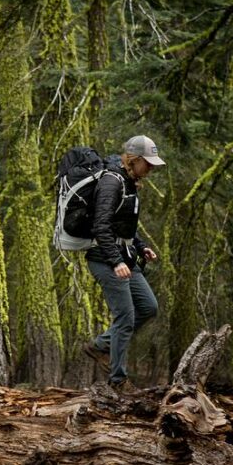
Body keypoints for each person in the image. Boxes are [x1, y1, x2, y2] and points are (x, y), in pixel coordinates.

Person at [82, 135, 165, 392]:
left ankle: (101, 345)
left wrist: (141, 247)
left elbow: (125, 226)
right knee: (125, 317)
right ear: (134, 159)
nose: (150, 169)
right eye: (147, 164)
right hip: (104, 258)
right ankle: (118, 381)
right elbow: (101, 227)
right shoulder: (111, 181)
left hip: (125, 257)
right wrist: (116, 260)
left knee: (148, 306)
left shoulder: (130, 182)